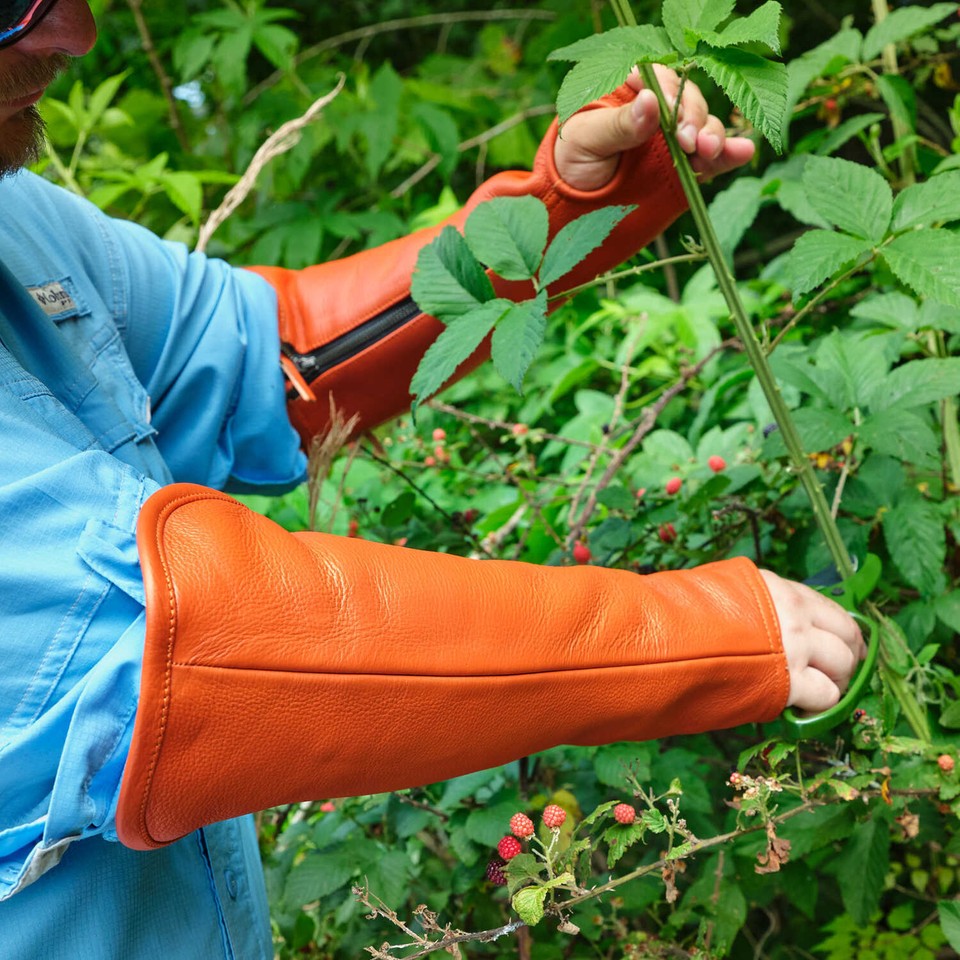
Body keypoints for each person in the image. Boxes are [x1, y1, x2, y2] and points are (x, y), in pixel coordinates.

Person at [0, 1, 865, 957]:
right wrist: (698, 634)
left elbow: (273, 354)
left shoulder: (17, 221)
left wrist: (565, 214)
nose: (72, 33)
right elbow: (201, 646)